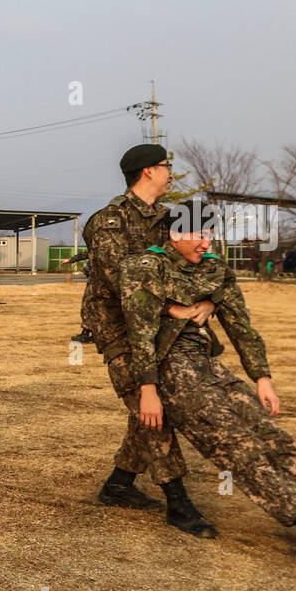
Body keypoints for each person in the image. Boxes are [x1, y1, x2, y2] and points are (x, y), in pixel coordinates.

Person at [119, 200, 296, 564]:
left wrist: (263, 379)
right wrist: (148, 388)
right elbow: (140, 333)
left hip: (209, 365)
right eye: (199, 234)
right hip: (170, 370)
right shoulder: (143, 267)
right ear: (176, 233)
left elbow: (241, 327)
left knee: (274, 437)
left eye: (211, 233)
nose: (206, 242)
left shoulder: (216, 271)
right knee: (239, 447)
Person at [81, 143, 212, 537]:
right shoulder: (109, 222)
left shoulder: (172, 220)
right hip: (120, 329)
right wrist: (174, 306)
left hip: (161, 330)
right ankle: (178, 501)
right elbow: (120, 280)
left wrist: (205, 295)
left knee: (150, 407)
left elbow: (194, 262)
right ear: (148, 172)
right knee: (152, 407)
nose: (171, 172)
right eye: (166, 166)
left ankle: (119, 485)